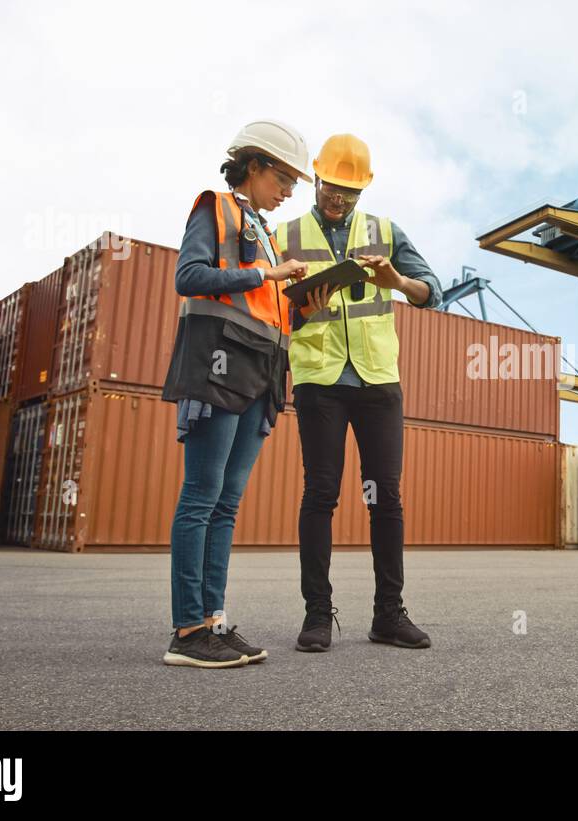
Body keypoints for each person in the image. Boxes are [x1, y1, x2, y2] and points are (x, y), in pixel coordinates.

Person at [160, 119, 334, 668]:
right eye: (283, 178)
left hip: (259, 378)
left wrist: (307, 307)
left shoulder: (264, 232)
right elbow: (188, 276)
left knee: (226, 505)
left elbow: (268, 315)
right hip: (218, 366)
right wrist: (267, 273)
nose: (288, 191)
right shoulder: (215, 206)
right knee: (200, 499)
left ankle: (214, 621)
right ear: (253, 165)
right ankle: (187, 632)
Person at [275, 133, 443, 652]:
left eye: (350, 191)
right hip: (319, 381)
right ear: (317, 177)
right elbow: (270, 310)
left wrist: (395, 280)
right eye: (331, 186)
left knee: (385, 498)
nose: (338, 198)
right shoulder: (285, 233)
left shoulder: (385, 232)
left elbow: (430, 292)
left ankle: (388, 615)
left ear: (362, 189)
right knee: (321, 495)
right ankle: (318, 616)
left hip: (377, 380)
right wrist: (304, 307)